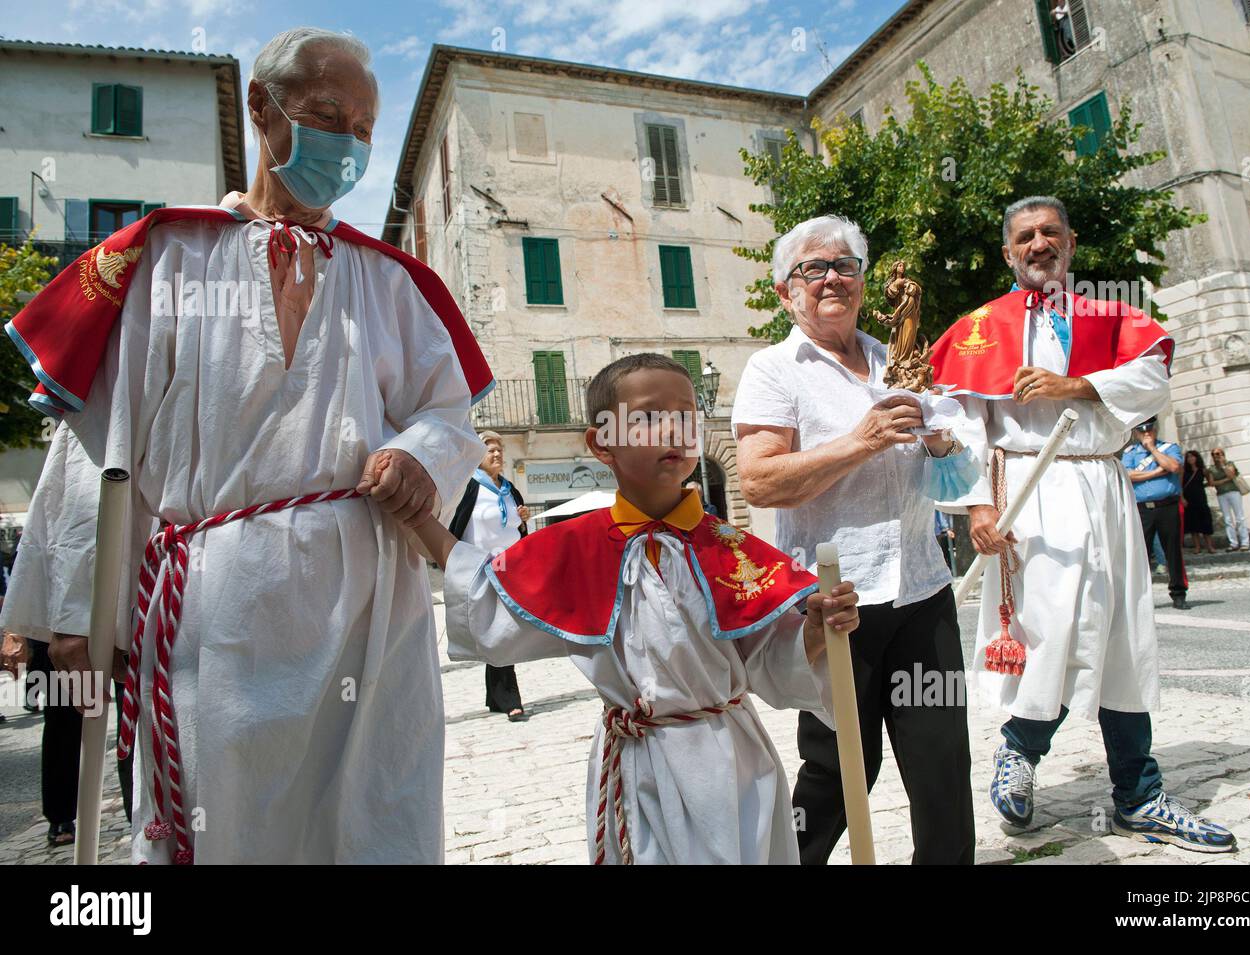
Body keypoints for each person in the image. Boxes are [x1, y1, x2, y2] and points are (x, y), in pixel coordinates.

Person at [0, 27, 491, 864]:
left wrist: (419, 454)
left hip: (369, 611)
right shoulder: (168, 259)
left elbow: (450, 417)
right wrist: (77, 608)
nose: (349, 146)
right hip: (215, 619)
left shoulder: (392, 282)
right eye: (328, 116)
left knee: (377, 817)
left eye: (364, 132)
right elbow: (100, 444)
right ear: (261, 109)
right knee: (221, 827)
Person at [432, 353, 860, 864]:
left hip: (732, 765)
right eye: (649, 417)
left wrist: (812, 633)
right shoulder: (573, 547)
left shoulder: (732, 550)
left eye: (685, 414)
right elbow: (481, 592)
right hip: (641, 768)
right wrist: (418, 518)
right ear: (601, 443)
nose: (673, 430)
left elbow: (766, 658)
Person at [931, 195, 1236, 852]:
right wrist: (979, 504)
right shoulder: (981, 327)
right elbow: (957, 422)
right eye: (1024, 236)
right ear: (1008, 251)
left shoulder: (1107, 314)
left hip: (1102, 481)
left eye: (1050, 232)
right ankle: (1019, 746)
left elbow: (1153, 376)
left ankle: (1139, 792)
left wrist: (1078, 387)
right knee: (1057, 629)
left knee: (1122, 633)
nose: (1038, 244)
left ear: (1070, 242)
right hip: (1031, 492)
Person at [733, 214, 980, 865]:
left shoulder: (901, 361)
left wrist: (940, 441)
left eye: (845, 265)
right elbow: (759, 480)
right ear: (787, 291)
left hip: (923, 590)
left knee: (943, 766)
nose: (831, 277)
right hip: (837, 603)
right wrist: (859, 442)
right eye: (813, 268)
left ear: (865, 283)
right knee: (839, 771)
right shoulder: (773, 369)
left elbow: (954, 478)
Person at [448, 431, 530, 722]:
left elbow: (517, 532)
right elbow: (454, 526)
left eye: (499, 450)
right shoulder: (469, 488)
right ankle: (511, 699)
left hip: (511, 569)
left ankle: (497, 697)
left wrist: (523, 522)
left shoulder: (510, 489)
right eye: (489, 450)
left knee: (502, 631)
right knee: (499, 631)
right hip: (481, 570)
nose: (496, 454)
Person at [1123, 418, 1188, 609]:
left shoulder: (1168, 447)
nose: (1146, 433)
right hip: (1143, 508)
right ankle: (1140, 598)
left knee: (1173, 551)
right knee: (1141, 553)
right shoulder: (1130, 452)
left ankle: (1178, 593)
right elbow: (1128, 475)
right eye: (1142, 430)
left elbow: (1174, 467)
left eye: (1149, 429)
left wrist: (1152, 449)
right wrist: (1156, 473)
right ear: (1135, 432)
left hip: (1167, 505)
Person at [1208, 447, 1250, 552]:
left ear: (1223, 454)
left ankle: (1245, 542)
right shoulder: (1211, 469)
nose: (1216, 456)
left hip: (1233, 492)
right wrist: (1225, 480)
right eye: (1214, 454)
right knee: (1227, 519)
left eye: (1218, 454)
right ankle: (1233, 543)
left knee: (1239, 517)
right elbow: (1212, 483)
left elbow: (1231, 475)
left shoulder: (1230, 464)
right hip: (1221, 494)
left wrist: (1223, 465)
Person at [1181, 450, 1215, 555]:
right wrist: (1182, 498)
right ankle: (1197, 546)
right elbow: (1180, 485)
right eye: (1188, 457)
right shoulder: (1184, 471)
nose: (1191, 459)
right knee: (1193, 524)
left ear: (1197, 458)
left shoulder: (1203, 470)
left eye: (1193, 456)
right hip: (1189, 499)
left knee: (1205, 522)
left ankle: (1209, 546)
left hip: (1200, 498)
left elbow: (1210, 482)